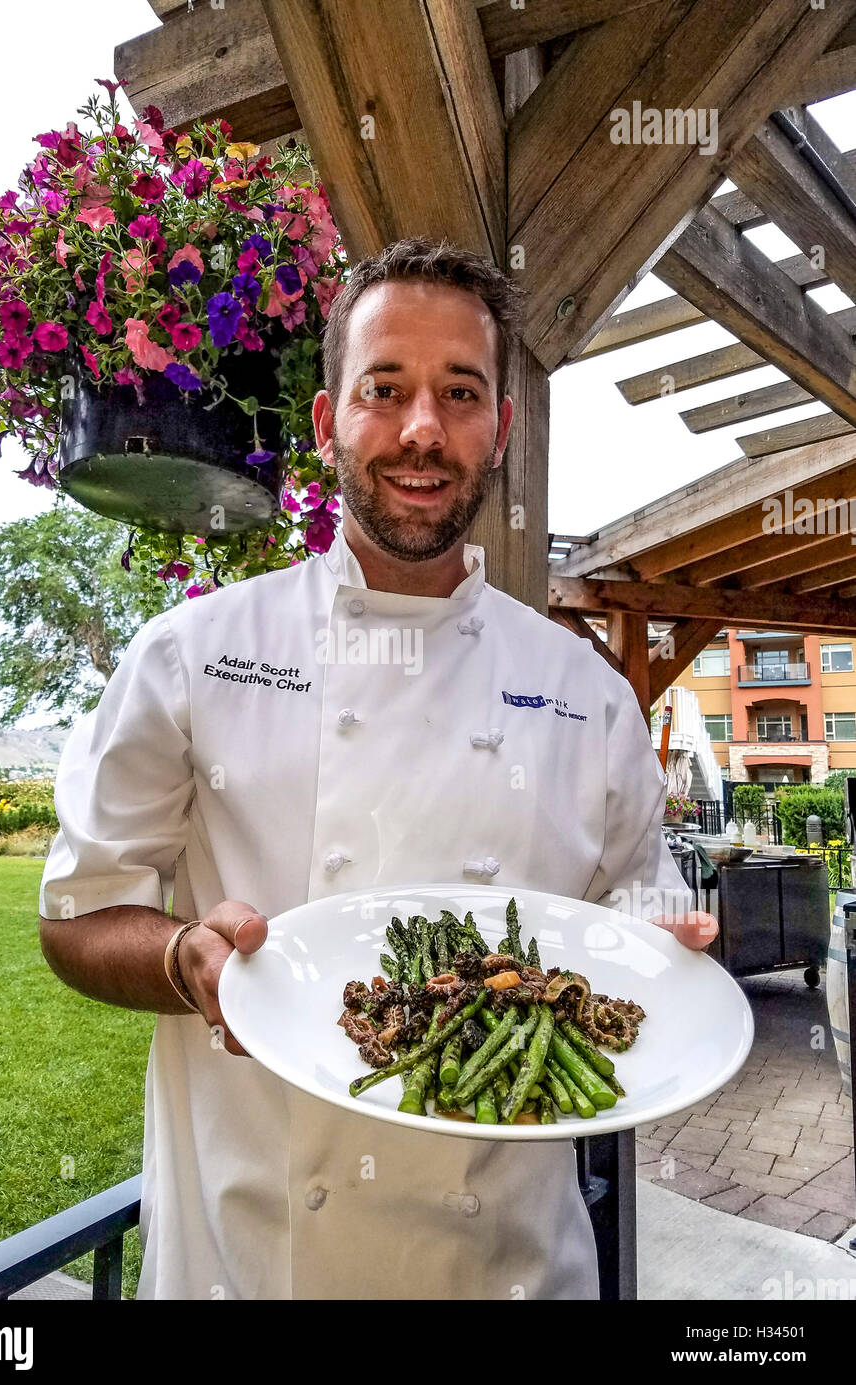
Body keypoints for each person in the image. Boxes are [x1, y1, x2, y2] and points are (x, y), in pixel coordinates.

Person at [38, 236, 719, 1300]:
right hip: (254, 1259)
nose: (420, 430)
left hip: (508, 1267)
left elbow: (637, 901)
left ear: (501, 427)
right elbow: (75, 915)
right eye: (383, 389)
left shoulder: (585, 692)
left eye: (460, 392)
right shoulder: (190, 654)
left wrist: (667, 944)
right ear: (325, 422)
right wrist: (182, 960)